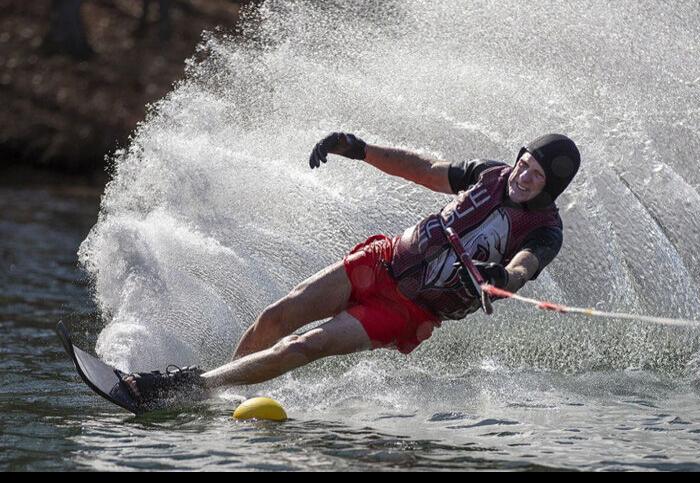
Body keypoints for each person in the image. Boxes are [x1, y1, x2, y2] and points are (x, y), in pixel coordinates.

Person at [122, 132, 582, 411]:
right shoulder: (490, 174)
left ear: (552, 187)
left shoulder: (546, 230)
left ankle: (184, 386)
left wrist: (504, 279)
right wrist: (359, 150)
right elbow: (422, 168)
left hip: (407, 310)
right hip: (381, 262)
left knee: (306, 344)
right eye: (524, 164)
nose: (523, 177)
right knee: (276, 316)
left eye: (536, 176)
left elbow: (525, 267)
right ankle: (218, 391)